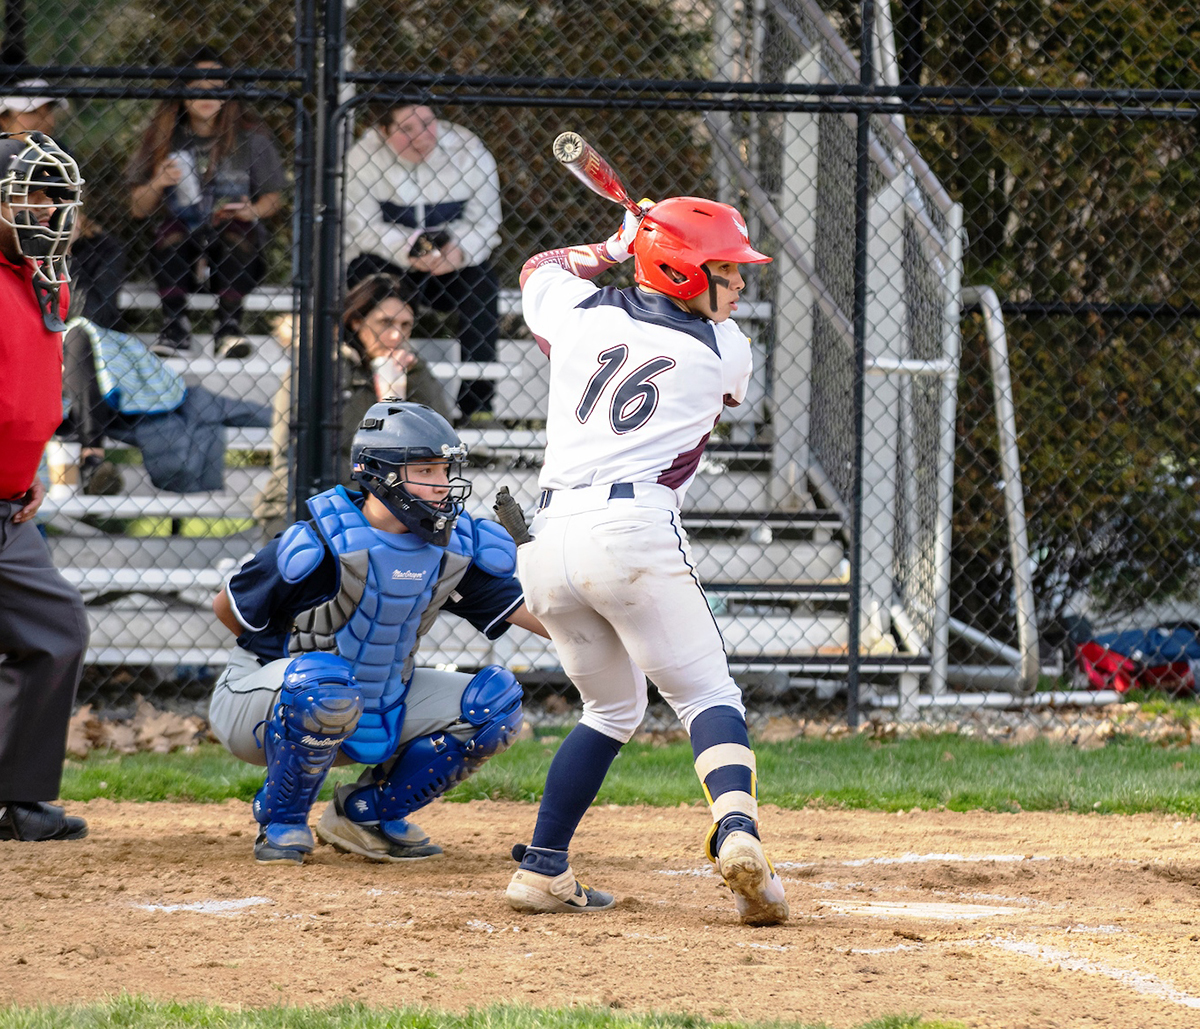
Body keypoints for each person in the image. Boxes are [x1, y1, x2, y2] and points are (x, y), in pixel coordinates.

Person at [505, 196, 790, 926]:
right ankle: (737, 831)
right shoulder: (726, 351)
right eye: (725, 271)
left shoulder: (579, 315)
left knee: (611, 707)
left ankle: (542, 869)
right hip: (629, 529)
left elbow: (539, 268)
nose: (739, 286)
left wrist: (612, 244)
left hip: (545, 540)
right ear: (683, 271)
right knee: (705, 694)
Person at [209, 400, 546, 864]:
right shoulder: (321, 541)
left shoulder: (454, 546)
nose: (442, 486)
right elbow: (229, 609)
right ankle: (283, 818)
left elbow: (538, 613)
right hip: (261, 700)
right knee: (324, 683)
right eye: (425, 470)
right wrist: (289, 665)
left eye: (446, 470)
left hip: (378, 697)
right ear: (379, 474)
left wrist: (624, 633)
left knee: (495, 706)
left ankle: (364, 814)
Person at [0, 130, 90, 842]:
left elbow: (29, 394)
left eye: (52, 195)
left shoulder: (45, 279)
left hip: (12, 504)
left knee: (57, 631)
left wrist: (27, 473)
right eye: (26, 193)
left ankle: (21, 795)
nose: (42, 208)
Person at [252, 274, 455, 543]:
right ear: (357, 322)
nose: (397, 335)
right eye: (385, 323)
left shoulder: (412, 370)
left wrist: (408, 381)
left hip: (386, 508)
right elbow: (292, 455)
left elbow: (442, 442)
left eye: (406, 325)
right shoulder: (318, 368)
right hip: (308, 503)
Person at [343, 104, 501, 421]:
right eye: (407, 129)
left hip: (449, 267)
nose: (422, 137)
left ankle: (478, 405)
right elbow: (361, 227)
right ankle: (360, 387)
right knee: (361, 273)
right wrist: (407, 250)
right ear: (385, 132)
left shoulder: (468, 151)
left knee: (483, 280)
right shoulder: (363, 156)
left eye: (428, 124)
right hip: (391, 266)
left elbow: (486, 223)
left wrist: (458, 252)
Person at [127, 47, 286, 359]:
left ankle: (228, 327)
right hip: (181, 239)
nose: (207, 94)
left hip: (230, 240)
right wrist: (158, 182)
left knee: (236, 231)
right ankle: (175, 327)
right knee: (169, 233)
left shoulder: (251, 139)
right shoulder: (163, 137)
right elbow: (138, 208)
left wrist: (251, 210)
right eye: (197, 87)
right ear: (182, 93)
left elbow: (274, 198)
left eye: (217, 87)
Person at [61, 316, 271, 495]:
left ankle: (92, 457)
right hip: (113, 410)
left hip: (154, 395)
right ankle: (92, 459)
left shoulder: (76, 333)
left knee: (217, 409)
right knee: (217, 410)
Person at [0, 80, 126, 330]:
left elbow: (92, 326)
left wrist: (62, 251)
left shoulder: (60, 153)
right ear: (4, 119)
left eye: (49, 111)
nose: (44, 120)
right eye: (32, 112)